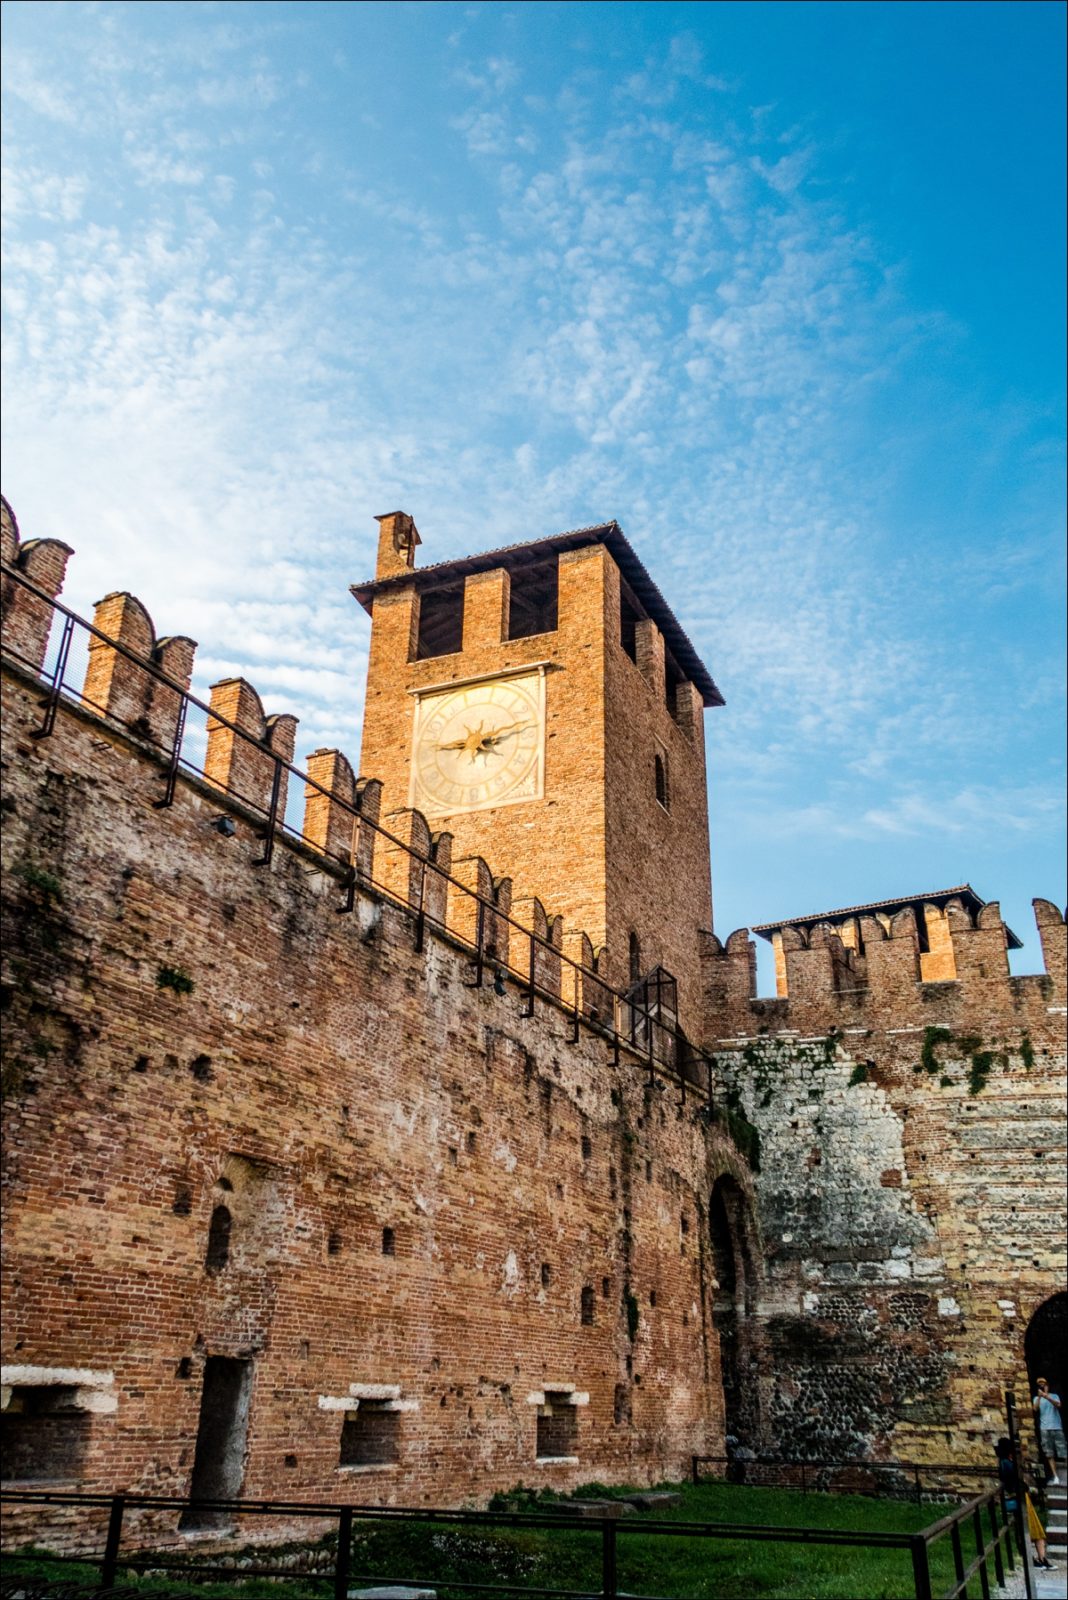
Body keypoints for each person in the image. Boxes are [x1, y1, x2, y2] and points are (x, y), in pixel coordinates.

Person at [995, 1437, 1053, 1570]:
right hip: (1019, 1498)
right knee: (1028, 1529)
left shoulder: (1006, 1463)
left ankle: (1041, 1558)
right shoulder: (1008, 1464)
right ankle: (1036, 1559)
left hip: (1021, 1497)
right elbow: (1016, 1482)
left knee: (1032, 1529)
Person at [1033, 1377, 1067, 1486]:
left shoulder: (1054, 1396)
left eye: (1043, 1384)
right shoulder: (1036, 1398)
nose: (1042, 1386)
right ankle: (1055, 1476)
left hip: (1057, 1427)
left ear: (1047, 1385)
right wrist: (1039, 1397)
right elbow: (1035, 1409)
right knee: (1049, 1453)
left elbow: (1058, 1405)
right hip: (1045, 1428)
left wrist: (1047, 1397)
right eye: (1040, 1385)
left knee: (1064, 1452)